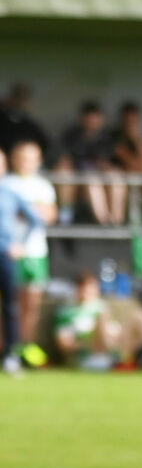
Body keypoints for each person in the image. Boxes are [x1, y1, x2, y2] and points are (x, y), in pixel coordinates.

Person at [1, 140, 56, 366]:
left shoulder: (43, 186)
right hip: (7, 252)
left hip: (32, 252)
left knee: (29, 303)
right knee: (9, 302)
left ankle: (22, 348)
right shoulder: (8, 184)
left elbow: (46, 217)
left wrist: (21, 239)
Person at [53, 269, 142, 369]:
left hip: (113, 341)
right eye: (83, 287)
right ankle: (117, 356)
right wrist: (86, 344)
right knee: (101, 316)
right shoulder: (66, 313)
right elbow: (64, 345)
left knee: (139, 316)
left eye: (91, 287)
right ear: (76, 289)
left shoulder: (100, 306)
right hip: (89, 354)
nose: (87, 291)